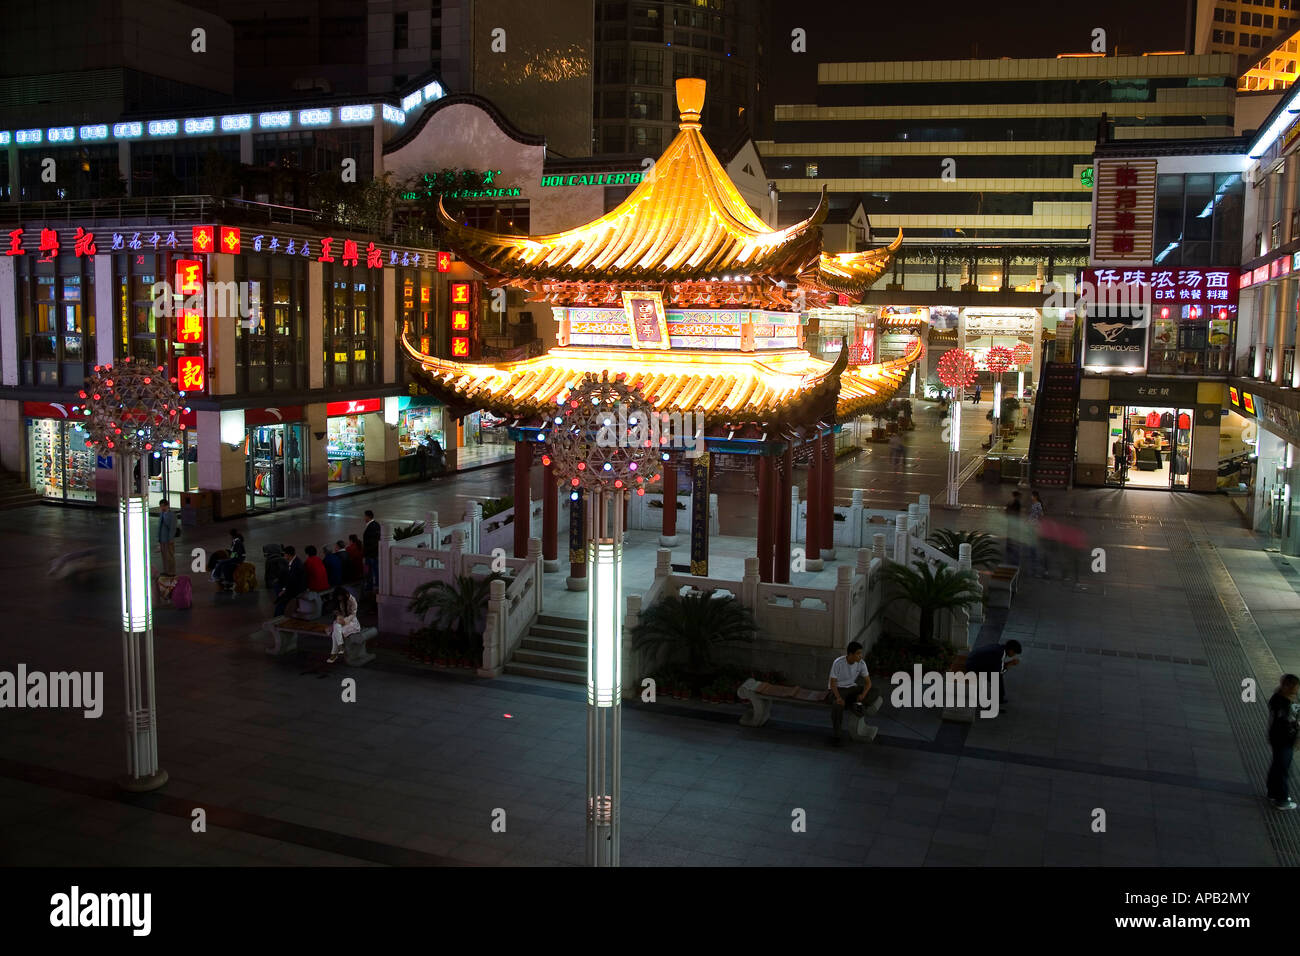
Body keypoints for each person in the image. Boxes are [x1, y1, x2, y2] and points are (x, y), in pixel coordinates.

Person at [828, 641, 872, 745]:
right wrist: (838, 698)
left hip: (852, 688)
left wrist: (863, 695)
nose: (860, 656)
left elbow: (868, 683)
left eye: (861, 653)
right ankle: (837, 736)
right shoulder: (838, 662)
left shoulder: (861, 663)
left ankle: (853, 703)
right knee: (837, 706)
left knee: (875, 691)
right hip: (838, 689)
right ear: (850, 654)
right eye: (858, 654)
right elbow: (832, 683)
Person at [1267, 674, 1300, 810]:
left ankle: (1273, 792)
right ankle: (1282, 799)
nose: (1296, 691)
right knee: (1282, 769)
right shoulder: (1280, 702)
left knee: (1277, 766)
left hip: (1283, 739)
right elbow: (1286, 723)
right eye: (1294, 688)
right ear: (1286, 686)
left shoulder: (1289, 699)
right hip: (1282, 740)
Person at [964, 639, 1022, 706]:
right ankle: (993, 702)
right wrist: (1010, 664)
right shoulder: (1000, 653)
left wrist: (1008, 663)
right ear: (1011, 650)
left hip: (974, 661)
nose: (1014, 655)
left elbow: (998, 665)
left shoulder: (1000, 647)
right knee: (996, 678)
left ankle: (999, 698)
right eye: (1014, 653)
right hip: (972, 666)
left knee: (996, 675)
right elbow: (1001, 672)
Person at [327, 586, 360, 663]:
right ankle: (340, 647)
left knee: (335, 632)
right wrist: (338, 614)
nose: (339, 598)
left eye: (340, 596)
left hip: (352, 622)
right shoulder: (340, 601)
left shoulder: (352, 600)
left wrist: (344, 621)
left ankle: (334, 654)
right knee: (336, 626)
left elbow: (353, 615)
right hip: (342, 621)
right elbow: (341, 614)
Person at [273, 546, 306, 616]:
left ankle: (277, 616)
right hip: (295, 585)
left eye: (284, 554)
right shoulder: (295, 561)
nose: (283, 556)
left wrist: (284, 590)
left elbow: (292, 582)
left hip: (296, 588)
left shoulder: (295, 565)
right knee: (277, 585)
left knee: (281, 599)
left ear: (288, 555)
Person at [1027, 490, 1046, 577]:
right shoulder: (1034, 504)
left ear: (1035, 496)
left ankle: (1033, 548)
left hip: (1034, 524)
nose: (1031, 497)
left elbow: (1041, 514)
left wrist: (1036, 519)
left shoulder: (1037, 504)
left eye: (1032, 496)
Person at [157, 500, 178, 576]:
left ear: (167, 506)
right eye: (161, 506)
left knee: (170, 556)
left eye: (163, 506)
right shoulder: (162, 514)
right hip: (162, 539)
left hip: (168, 539)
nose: (162, 508)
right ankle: (166, 570)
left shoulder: (171, 515)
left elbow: (172, 528)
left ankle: (172, 571)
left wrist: (171, 539)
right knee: (164, 556)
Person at [363, 510, 381, 591]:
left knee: (370, 570)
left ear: (368, 516)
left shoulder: (371, 526)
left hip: (371, 555)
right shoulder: (377, 524)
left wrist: (367, 553)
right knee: (374, 570)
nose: (364, 518)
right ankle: (375, 584)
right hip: (374, 553)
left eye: (365, 516)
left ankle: (370, 586)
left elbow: (372, 542)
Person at [1004, 491, 1023, 566]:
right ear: (1017, 496)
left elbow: (1006, 510)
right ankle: (1011, 546)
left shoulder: (1010, 502)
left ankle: (1009, 546)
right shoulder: (1016, 503)